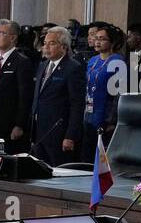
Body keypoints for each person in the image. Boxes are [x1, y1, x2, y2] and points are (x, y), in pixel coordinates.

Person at [0, 19, 35, 155]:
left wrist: (19, 125)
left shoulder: (22, 61)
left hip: (9, 126)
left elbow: (25, 97)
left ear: (13, 37)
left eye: (2, 33)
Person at [30, 26, 84, 164]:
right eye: (45, 43)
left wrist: (70, 135)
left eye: (52, 43)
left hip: (59, 134)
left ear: (64, 47)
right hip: (39, 131)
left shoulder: (73, 68)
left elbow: (77, 104)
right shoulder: (42, 65)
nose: (46, 47)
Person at [82, 25, 125, 161]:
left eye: (102, 39)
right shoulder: (92, 60)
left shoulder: (118, 61)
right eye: (96, 38)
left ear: (112, 42)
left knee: (101, 157)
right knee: (87, 154)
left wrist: (112, 120)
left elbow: (119, 94)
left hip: (105, 115)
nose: (97, 42)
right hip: (88, 113)